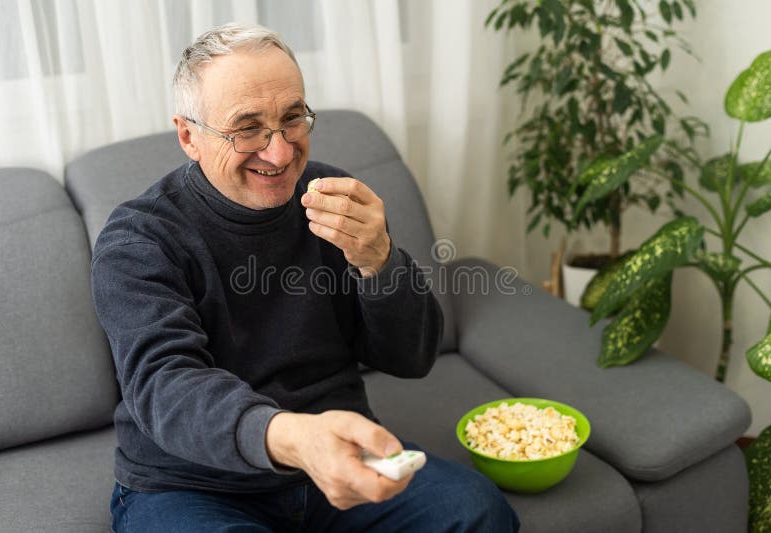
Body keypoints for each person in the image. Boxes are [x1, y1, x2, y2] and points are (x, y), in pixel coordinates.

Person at [92, 22, 519, 532]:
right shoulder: (139, 239)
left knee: (479, 513)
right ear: (189, 136)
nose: (280, 152)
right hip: (194, 485)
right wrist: (294, 437)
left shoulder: (330, 197)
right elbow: (165, 385)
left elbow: (413, 357)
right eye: (247, 128)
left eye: (293, 118)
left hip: (337, 456)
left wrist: (379, 262)